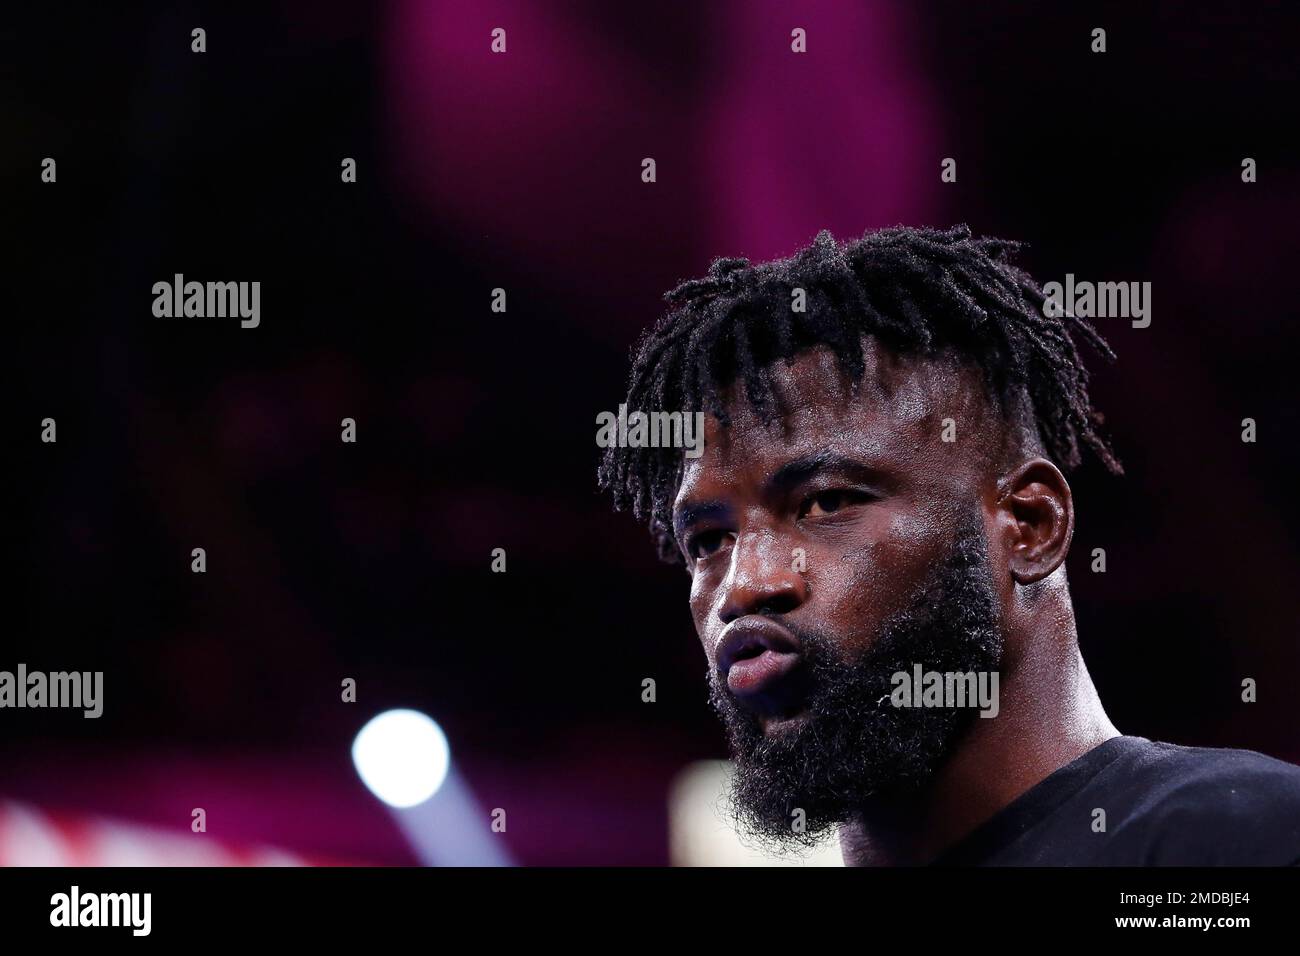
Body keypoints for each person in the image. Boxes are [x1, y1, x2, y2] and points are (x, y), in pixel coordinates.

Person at [599, 224, 1300, 865]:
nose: (744, 586)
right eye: (709, 539)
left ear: (1029, 526)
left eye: (825, 502)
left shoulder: (1235, 839)